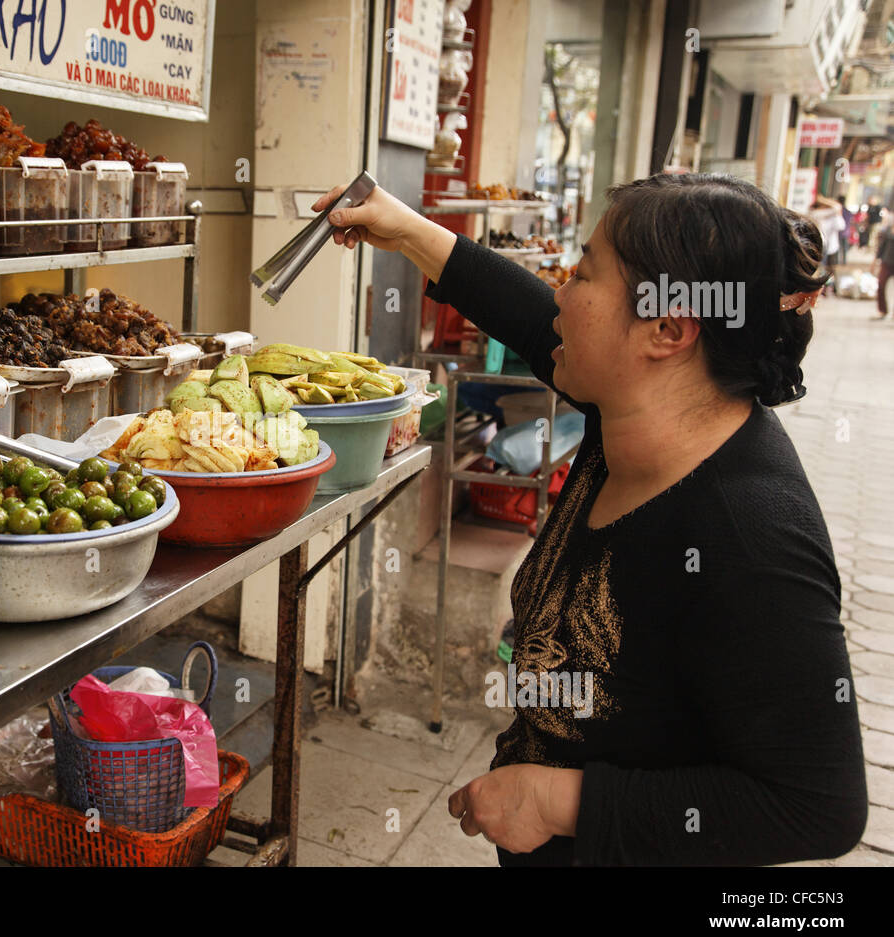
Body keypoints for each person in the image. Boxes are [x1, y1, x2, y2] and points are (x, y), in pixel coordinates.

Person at [312, 172, 866, 866]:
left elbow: (817, 804)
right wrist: (407, 230)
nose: (561, 294)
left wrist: (557, 802)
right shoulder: (636, 404)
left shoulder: (752, 532)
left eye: (583, 274)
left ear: (666, 329)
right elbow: (529, 313)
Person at [873, 210, 894, 320]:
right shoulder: (888, 229)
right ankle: (883, 310)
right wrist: (875, 261)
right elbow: (881, 247)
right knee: (881, 285)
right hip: (887, 261)